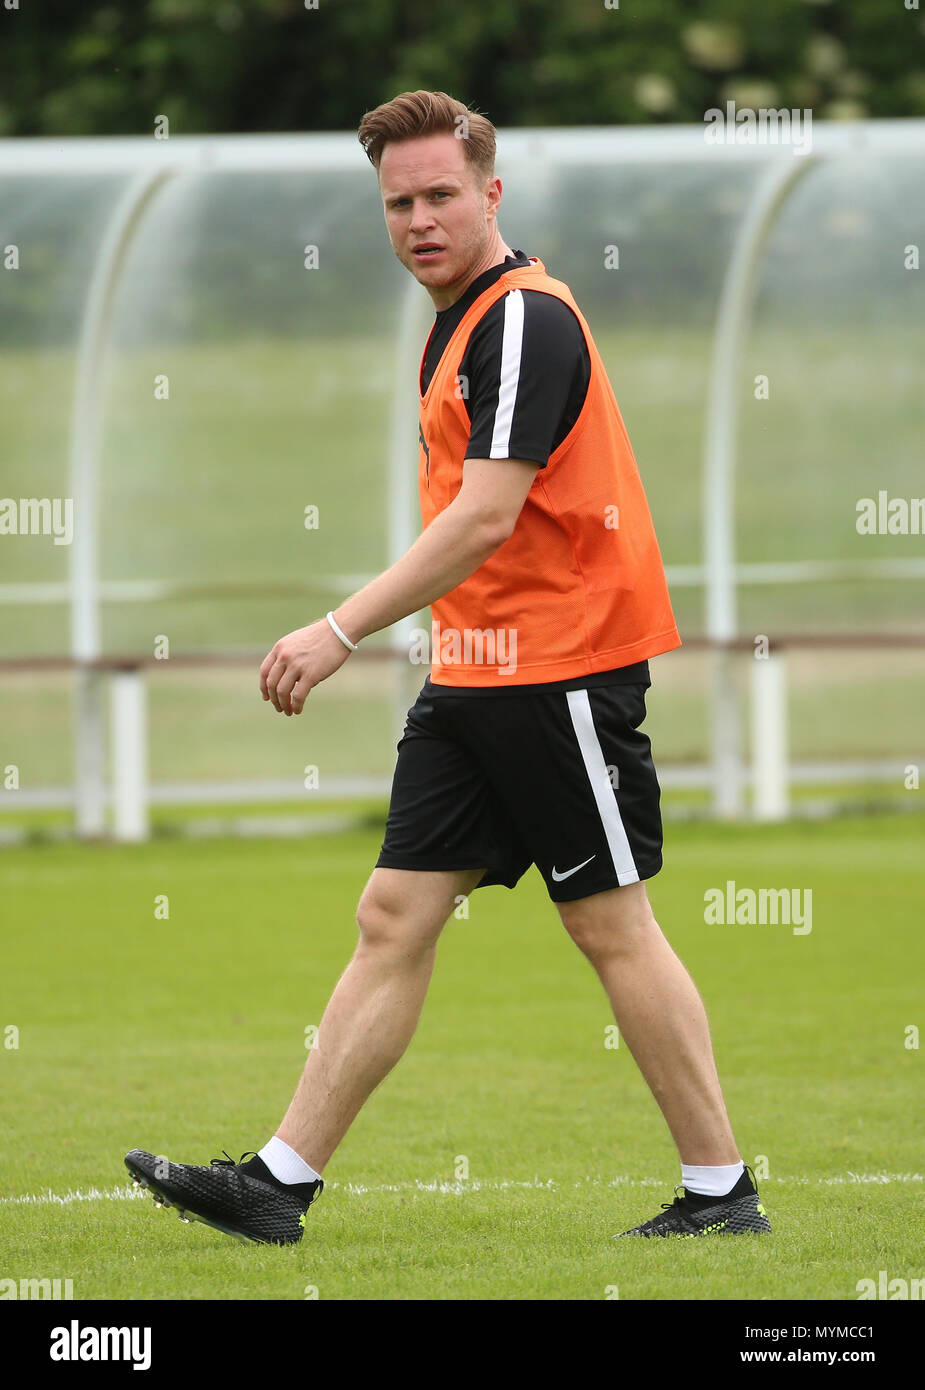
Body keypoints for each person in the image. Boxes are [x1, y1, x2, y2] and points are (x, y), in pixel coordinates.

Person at [125, 90, 770, 1245]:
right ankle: (278, 1183)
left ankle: (721, 1190)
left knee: (610, 925)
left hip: (561, 670)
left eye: (439, 195)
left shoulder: (525, 318)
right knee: (391, 916)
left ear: (490, 194)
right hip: (476, 673)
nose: (418, 219)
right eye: (397, 202)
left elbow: (483, 518)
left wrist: (339, 628)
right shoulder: (459, 320)